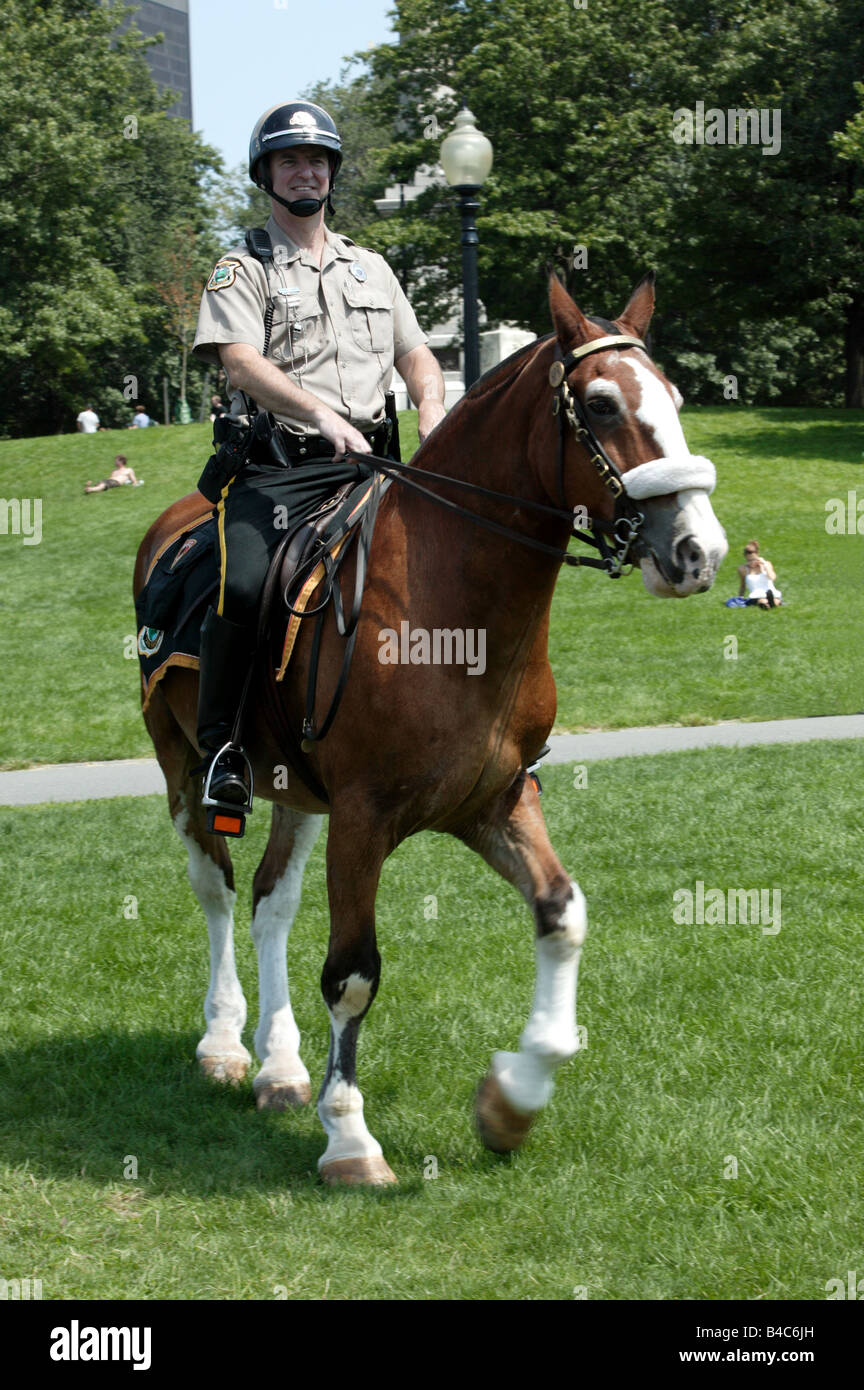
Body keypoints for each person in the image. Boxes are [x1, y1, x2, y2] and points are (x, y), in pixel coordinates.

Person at [190, 99, 446, 819]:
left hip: (373, 468)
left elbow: (415, 353)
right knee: (242, 585)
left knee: (463, 557)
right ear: (266, 175)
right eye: (289, 161)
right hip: (281, 473)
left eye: (316, 160)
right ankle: (222, 751)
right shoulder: (243, 269)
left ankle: (487, 731)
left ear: (332, 172)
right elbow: (240, 362)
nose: (305, 172)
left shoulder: (372, 269)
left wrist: (431, 405)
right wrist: (319, 413)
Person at [737, 540, 781, 608]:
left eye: (753, 560)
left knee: (776, 600)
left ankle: (771, 603)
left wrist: (764, 566)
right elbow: (743, 585)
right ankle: (768, 604)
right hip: (756, 595)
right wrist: (740, 597)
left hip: (772, 593)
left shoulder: (767, 564)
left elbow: (772, 577)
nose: (752, 562)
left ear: (757, 554)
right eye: (749, 561)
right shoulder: (743, 569)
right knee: (762, 600)